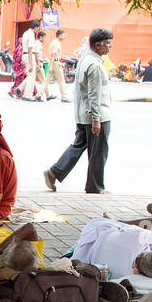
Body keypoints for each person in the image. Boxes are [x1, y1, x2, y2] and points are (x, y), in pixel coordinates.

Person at [43, 28, 112, 194]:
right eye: (108, 43)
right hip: (96, 115)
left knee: (79, 145)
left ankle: (55, 172)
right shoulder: (94, 64)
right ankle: (95, 186)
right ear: (98, 44)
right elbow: (93, 93)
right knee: (98, 151)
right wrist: (96, 119)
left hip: (82, 114)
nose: (110, 46)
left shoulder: (85, 59)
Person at [72, 216, 152, 281]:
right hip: (84, 253)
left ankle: (113, 220)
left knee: (126, 228)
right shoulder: (125, 276)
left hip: (95, 230)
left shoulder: (139, 237)